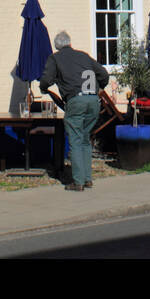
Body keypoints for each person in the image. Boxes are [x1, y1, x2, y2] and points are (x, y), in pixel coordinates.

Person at [40, 31, 109, 191]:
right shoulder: (84, 56)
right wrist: (99, 88)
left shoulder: (55, 58)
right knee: (85, 138)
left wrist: (43, 88)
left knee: (76, 140)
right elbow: (103, 74)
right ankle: (87, 179)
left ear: (56, 46)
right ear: (70, 43)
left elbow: (46, 79)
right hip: (93, 101)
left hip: (75, 100)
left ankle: (78, 182)